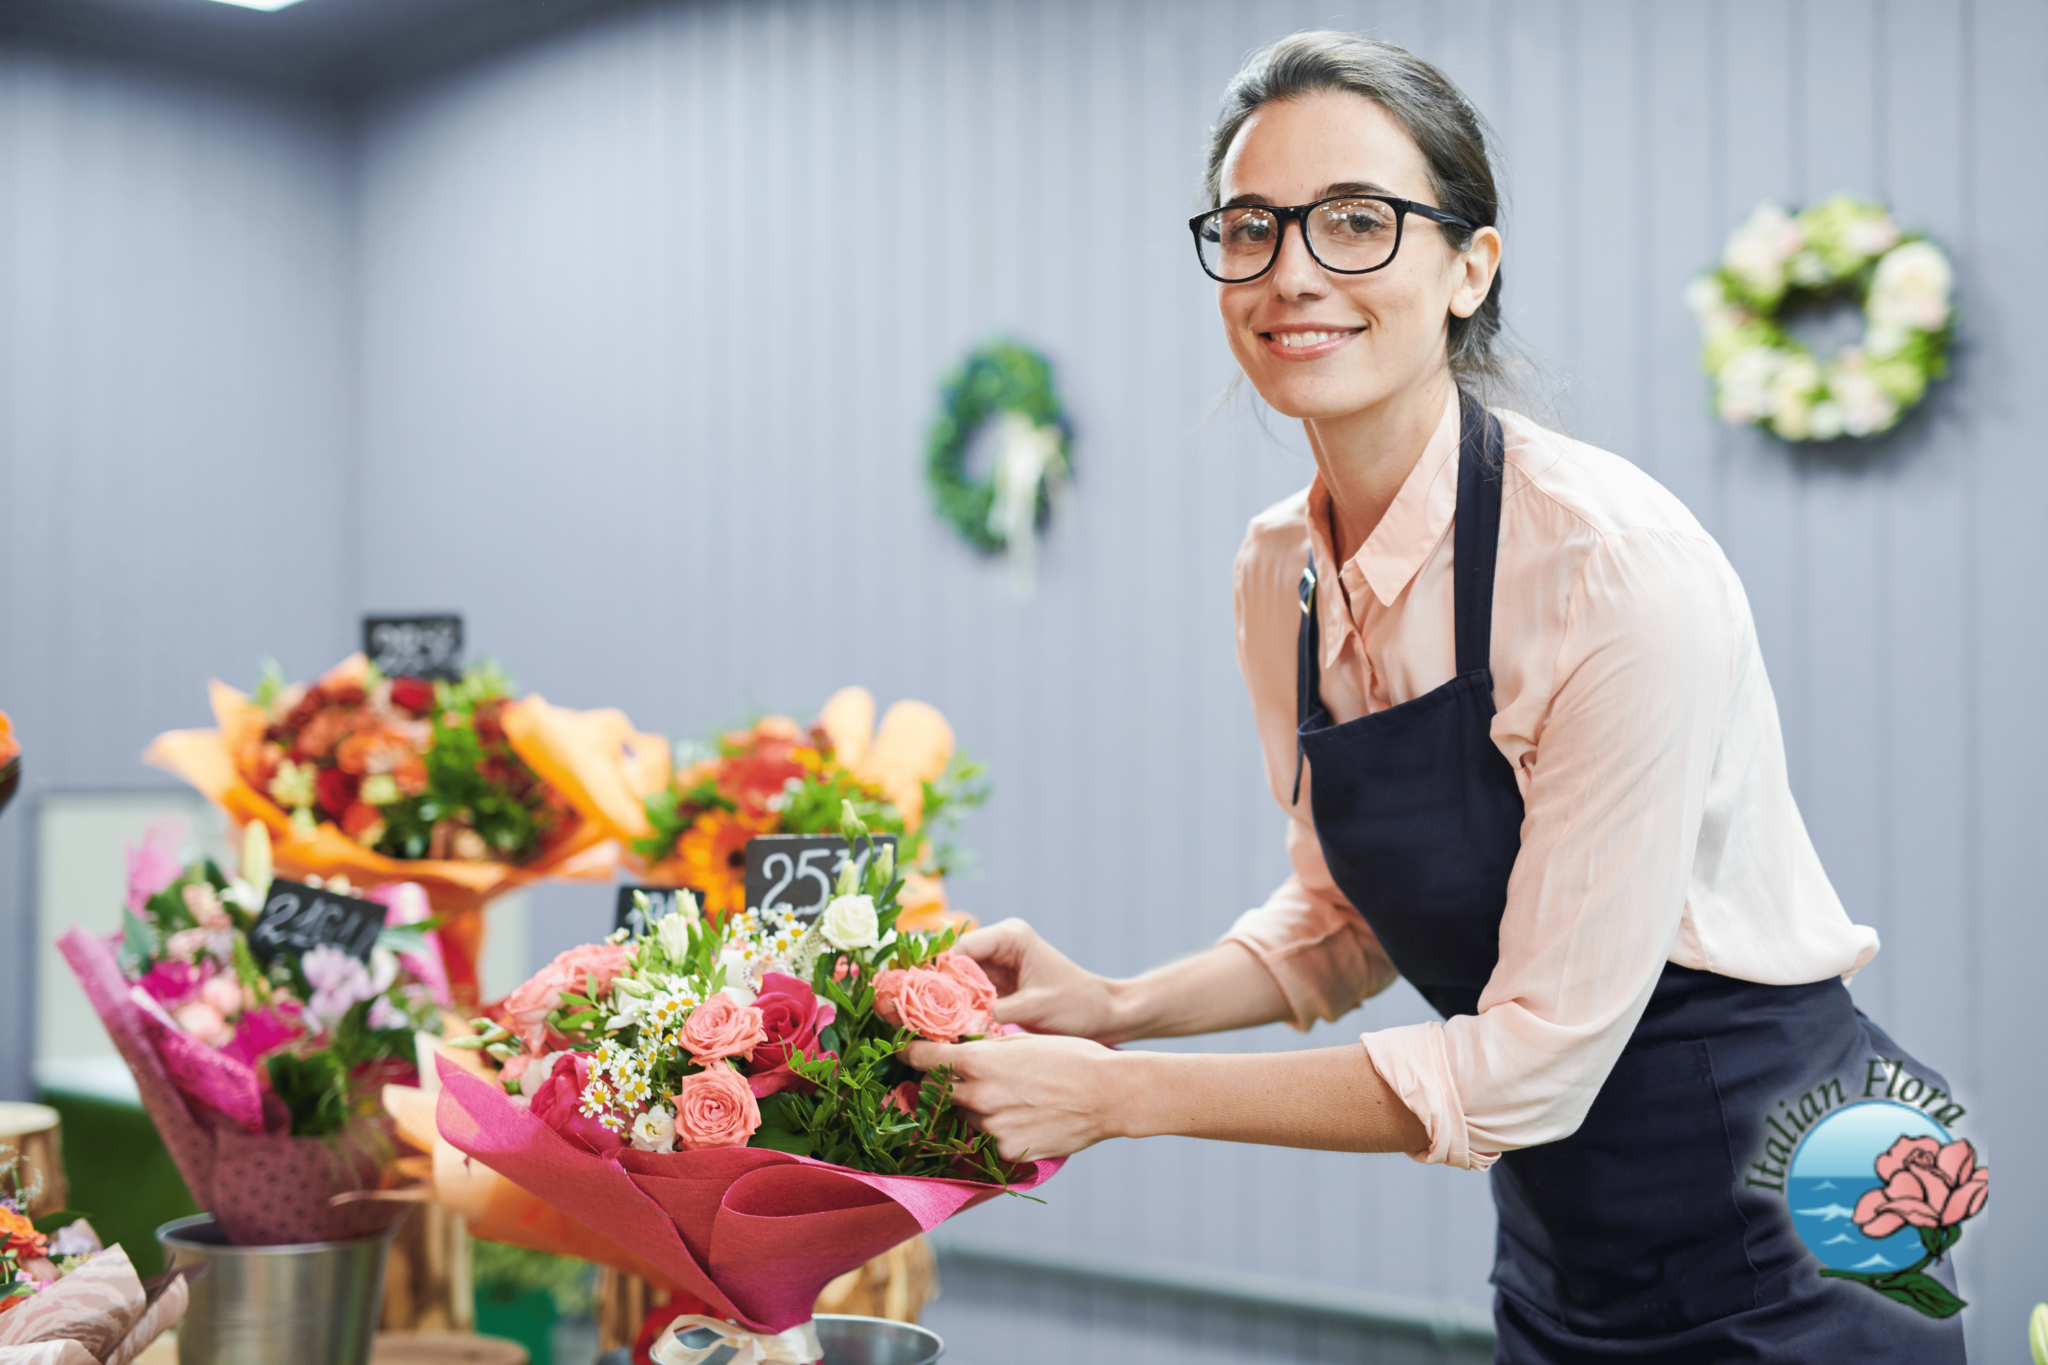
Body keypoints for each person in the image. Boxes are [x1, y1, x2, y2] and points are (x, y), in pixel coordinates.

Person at [904, 30, 1967, 1363]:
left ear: (1470, 269)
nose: (1293, 270)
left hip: (1796, 1244)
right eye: (1251, 226)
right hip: (1566, 1252)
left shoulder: (1608, 570)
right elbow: (1346, 922)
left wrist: (1118, 1095)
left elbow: (1527, 1065)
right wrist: (1118, 1004)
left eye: (1357, 222)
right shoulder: (1277, 571)